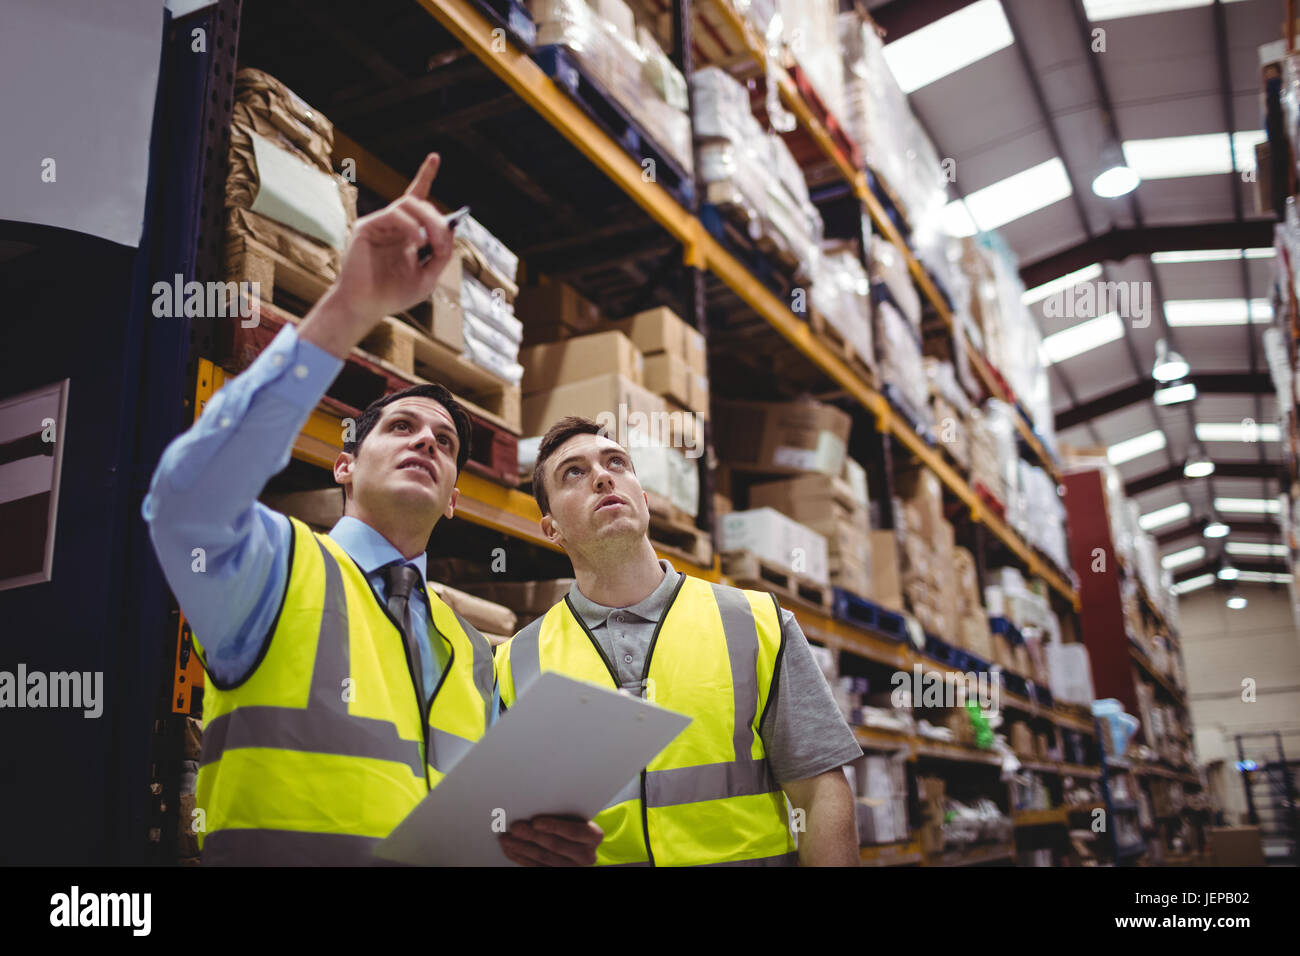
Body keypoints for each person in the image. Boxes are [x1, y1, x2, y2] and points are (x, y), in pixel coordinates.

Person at [144, 153, 599, 866]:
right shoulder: (276, 570)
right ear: (345, 465)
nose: (425, 439)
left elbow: (470, 822)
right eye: (401, 428)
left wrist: (527, 842)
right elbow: (185, 498)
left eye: (444, 442)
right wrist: (350, 306)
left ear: (454, 498)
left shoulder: (470, 653)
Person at [495, 417, 863, 866]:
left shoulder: (757, 623)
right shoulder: (516, 663)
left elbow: (820, 790)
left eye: (617, 463)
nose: (603, 476)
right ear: (550, 528)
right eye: (573, 472)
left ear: (643, 501)